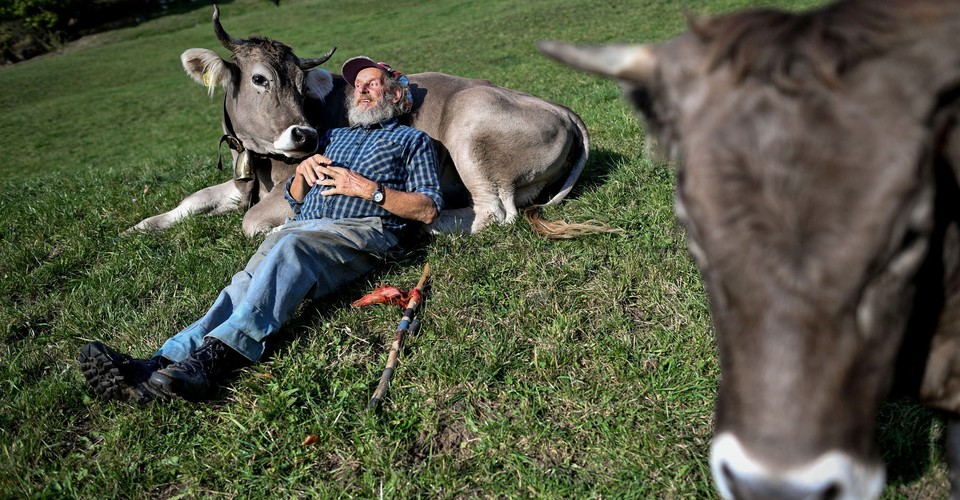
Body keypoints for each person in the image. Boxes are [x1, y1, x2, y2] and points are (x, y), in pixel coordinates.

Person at [80, 56, 443, 403]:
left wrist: (369, 190)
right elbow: (295, 199)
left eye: (372, 85)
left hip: (362, 231)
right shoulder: (331, 137)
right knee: (241, 284)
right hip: (305, 227)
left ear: (395, 95)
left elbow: (427, 209)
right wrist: (301, 177)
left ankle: (217, 359)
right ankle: (157, 365)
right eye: (357, 86)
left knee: (291, 249)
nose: (360, 91)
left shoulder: (414, 142)